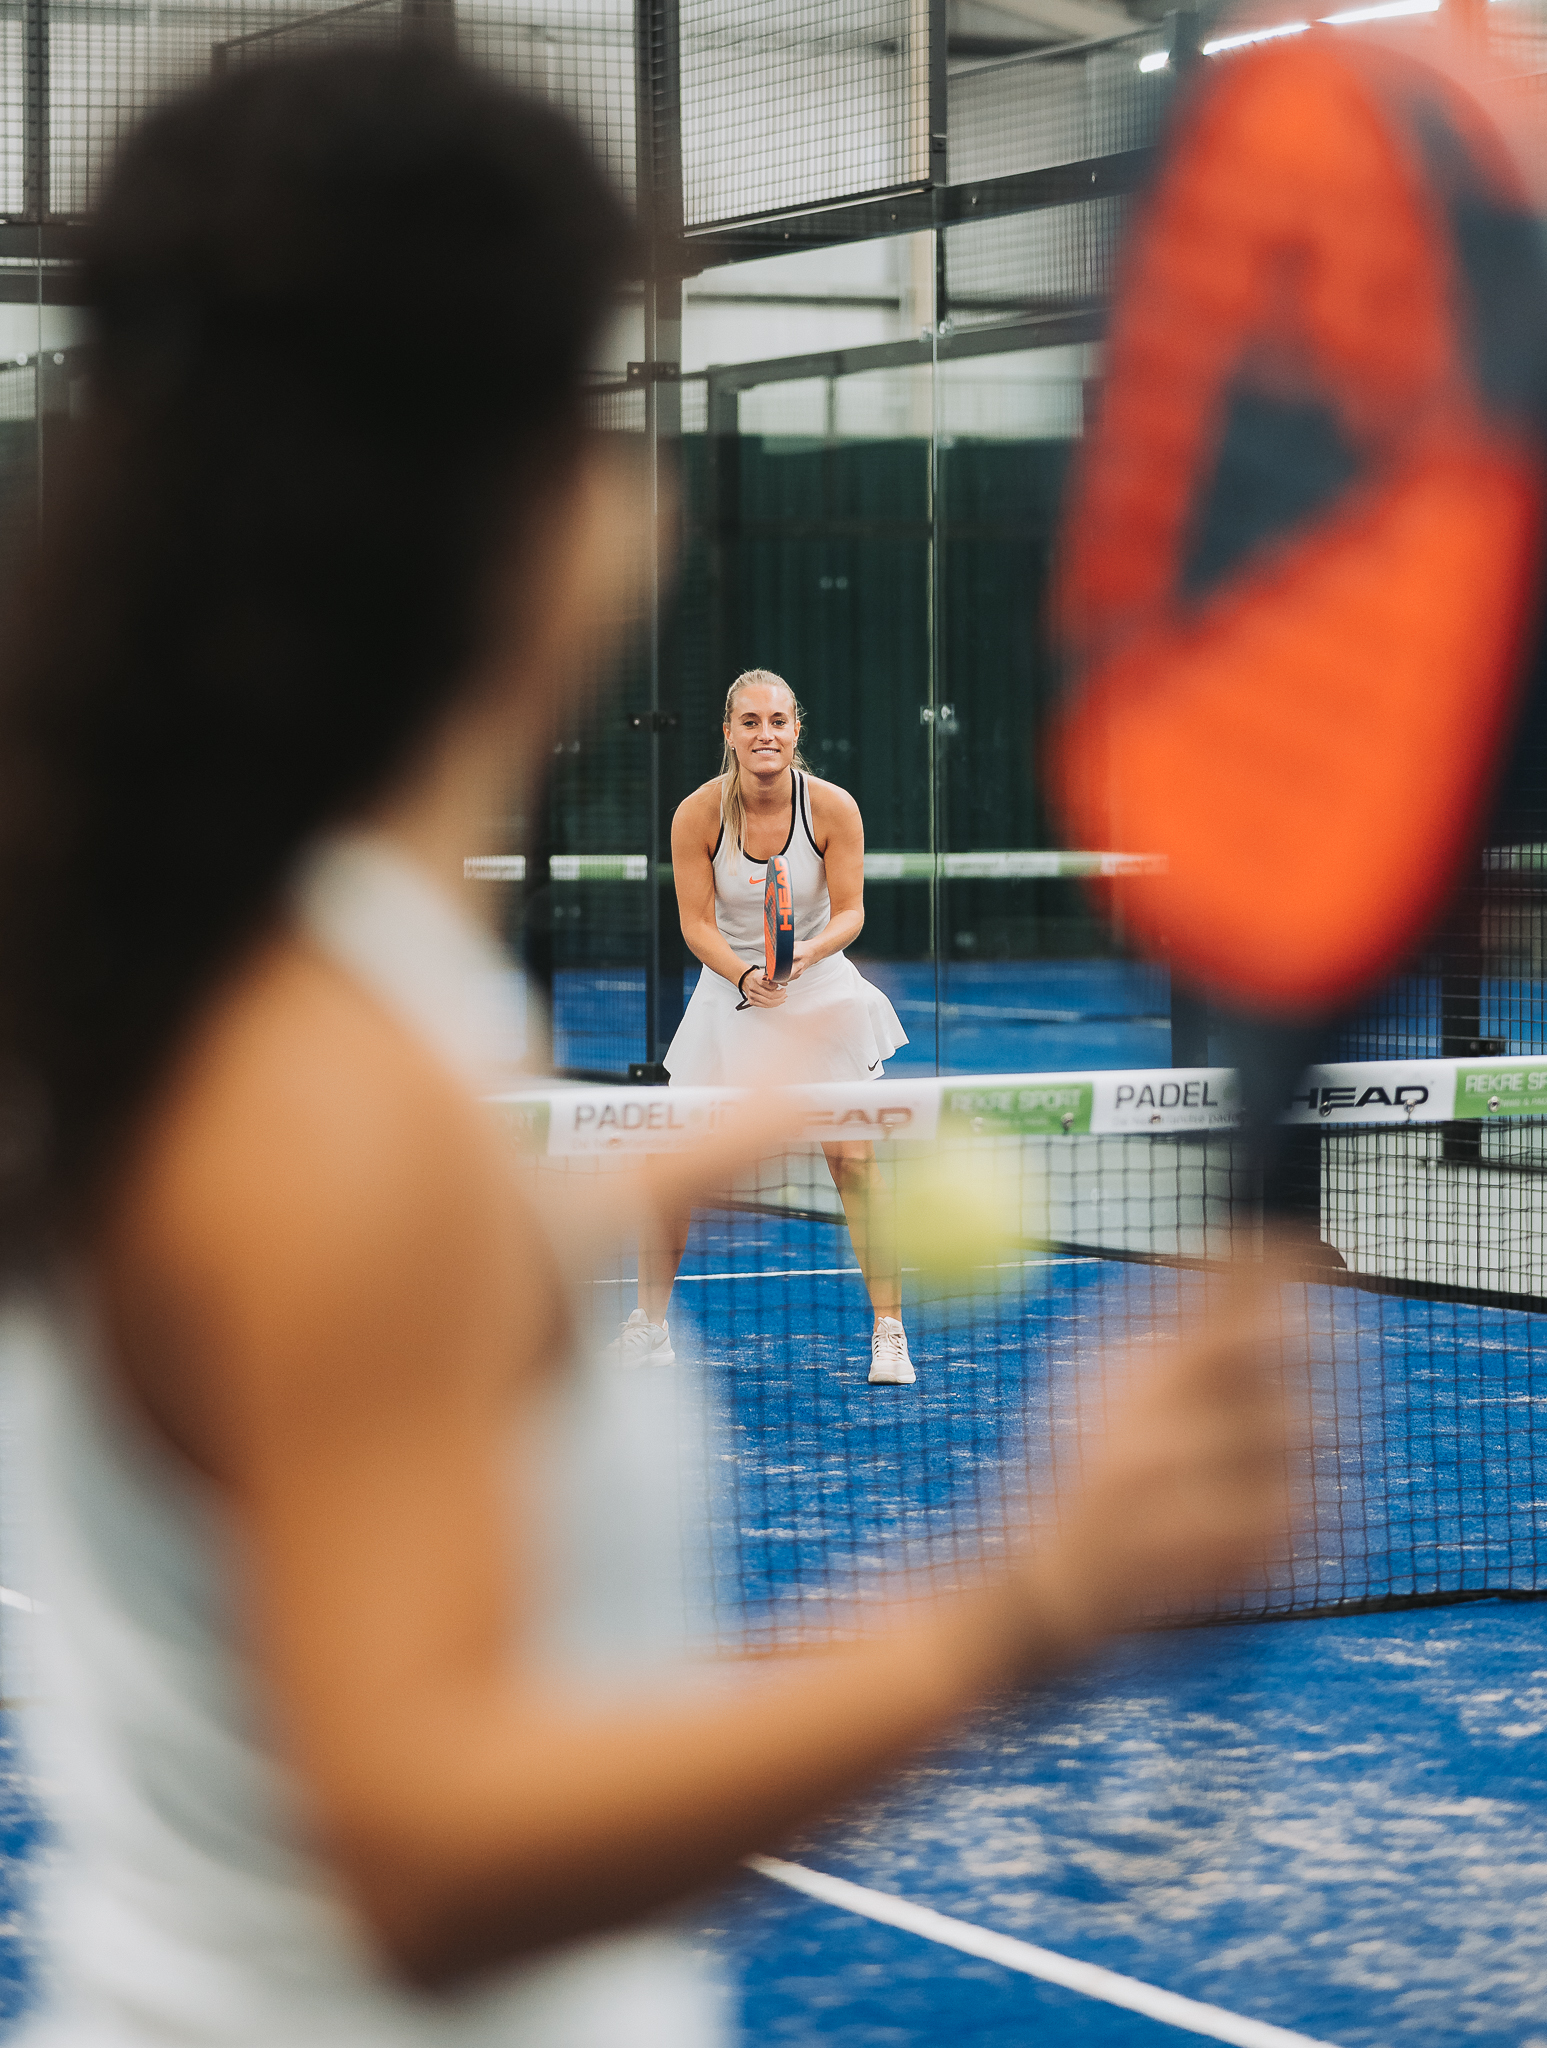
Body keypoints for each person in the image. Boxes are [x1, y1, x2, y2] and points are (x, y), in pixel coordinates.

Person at [0, 48, 1300, 2048]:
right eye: (593, 403)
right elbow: (421, 1856)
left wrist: (689, 1148)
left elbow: (313, 1377)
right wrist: (1034, 1591)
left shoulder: (258, 982)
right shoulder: (321, 1098)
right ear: (513, 500)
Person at [613, 670, 915, 1383]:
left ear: (796, 730)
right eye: (749, 722)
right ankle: (649, 1328)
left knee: (855, 1165)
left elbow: (850, 912)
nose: (764, 734)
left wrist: (805, 954)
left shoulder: (833, 808)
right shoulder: (697, 814)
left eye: (777, 721)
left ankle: (890, 1333)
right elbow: (694, 923)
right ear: (728, 733)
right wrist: (746, 976)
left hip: (823, 989)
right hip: (730, 992)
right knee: (670, 1169)